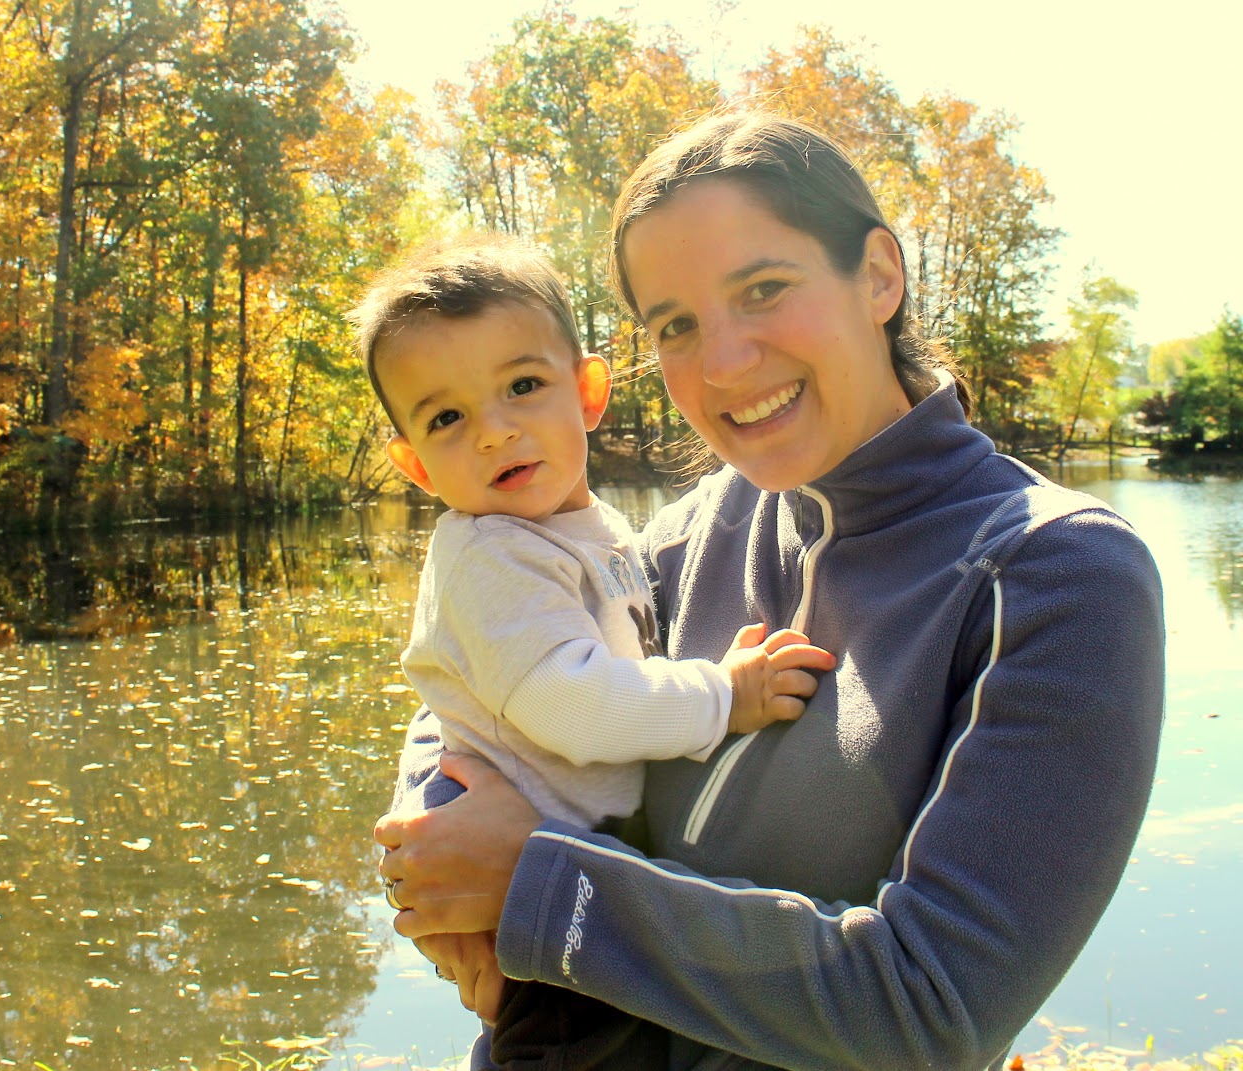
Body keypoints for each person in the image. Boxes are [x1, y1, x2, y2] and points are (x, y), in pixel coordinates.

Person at [373, 111, 1165, 1071]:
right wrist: (439, 822)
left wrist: (544, 891)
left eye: (763, 289)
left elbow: (932, 1008)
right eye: (675, 325)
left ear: (878, 274)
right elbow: (490, 662)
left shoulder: (1054, 575)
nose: (723, 364)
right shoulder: (684, 535)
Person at [351, 233, 836, 1069]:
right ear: (415, 466)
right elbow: (572, 702)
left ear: (588, 391)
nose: (495, 431)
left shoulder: (591, 532)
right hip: (538, 911)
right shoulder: (491, 554)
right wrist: (725, 693)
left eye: (523, 386)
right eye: (447, 417)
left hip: (581, 884)